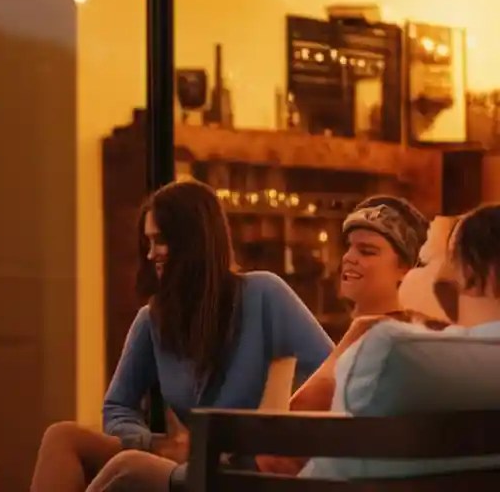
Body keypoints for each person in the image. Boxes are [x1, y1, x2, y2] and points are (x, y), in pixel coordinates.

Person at [30, 180, 334, 492]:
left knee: (128, 467)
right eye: (147, 242)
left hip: (240, 470)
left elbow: (333, 375)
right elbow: (118, 406)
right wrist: (152, 443)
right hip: (187, 464)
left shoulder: (263, 295)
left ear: (193, 242)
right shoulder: (153, 320)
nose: (150, 254)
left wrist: (266, 440)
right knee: (62, 436)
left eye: (160, 241)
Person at [300, 202, 500, 480]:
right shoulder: (454, 360)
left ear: (471, 270)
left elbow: (277, 455)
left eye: (447, 258)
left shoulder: (392, 352)